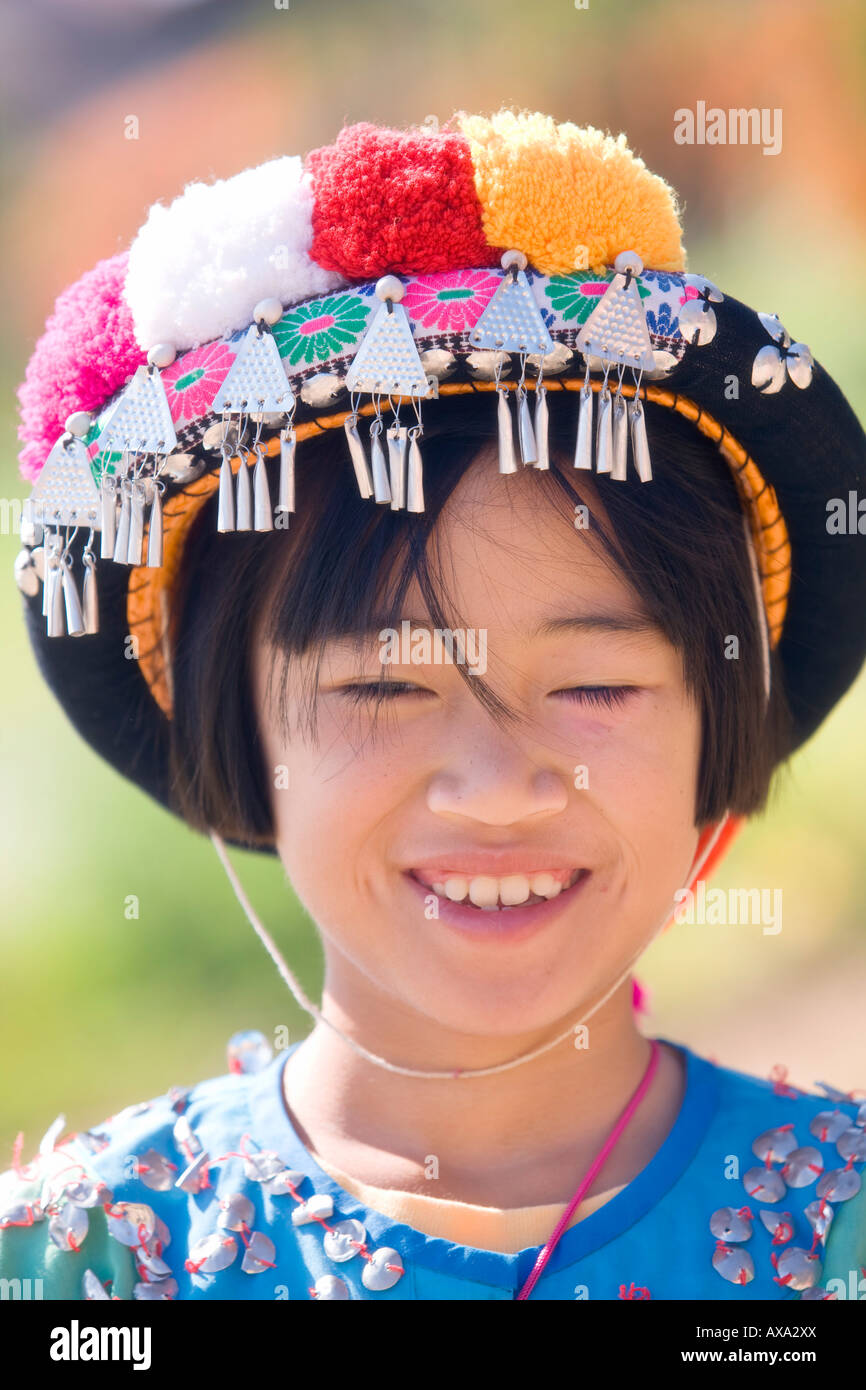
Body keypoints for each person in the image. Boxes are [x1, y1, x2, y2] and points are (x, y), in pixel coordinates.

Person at [3, 109, 865, 1301]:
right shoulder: (75, 1270)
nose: (494, 786)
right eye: (383, 685)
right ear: (234, 728)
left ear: (716, 715)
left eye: (592, 685)